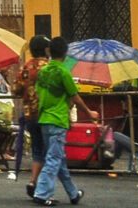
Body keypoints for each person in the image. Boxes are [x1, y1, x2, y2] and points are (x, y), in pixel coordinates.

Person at [31, 36, 92, 207]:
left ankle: (73, 194)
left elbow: (39, 94)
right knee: (53, 159)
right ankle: (42, 194)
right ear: (65, 53)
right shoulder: (63, 72)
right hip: (58, 120)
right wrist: (89, 112)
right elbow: (75, 97)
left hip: (44, 119)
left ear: (49, 51)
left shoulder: (43, 72)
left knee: (58, 159)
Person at [11, 35, 48, 196]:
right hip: (48, 115)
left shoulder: (26, 68)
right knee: (51, 153)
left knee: (37, 150)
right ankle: (45, 188)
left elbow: (16, 90)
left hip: (30, 115)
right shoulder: (50, 67)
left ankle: (33, 181)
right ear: (46, 49)